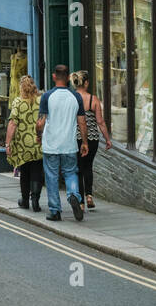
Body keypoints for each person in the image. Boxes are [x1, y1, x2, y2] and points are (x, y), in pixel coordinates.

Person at [37, 66, 88, 222]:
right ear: (67, 78)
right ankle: (73, 195)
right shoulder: (76, 97)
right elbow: (82, 122)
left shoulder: (47, 96)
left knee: (51, 177)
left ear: (54, 76)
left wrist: (38, 135)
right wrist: (84, 142)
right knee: (71, 173)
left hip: (51, 144)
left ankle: (55, 211)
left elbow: (40, 122)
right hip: (69, 144)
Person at [69, 70, 112, 211]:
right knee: (88, 166)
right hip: (92, 138)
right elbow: (100, 122)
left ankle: (81, 203)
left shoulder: (72, 98)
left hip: (76, 138)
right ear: (86, 83)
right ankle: (89, 195)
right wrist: (107, 139)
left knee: (78, 169)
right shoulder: (93, 99)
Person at [6, 75, 43, 212]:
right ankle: (35, 200)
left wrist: (8, 144)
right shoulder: (40, 101)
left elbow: (12, 123)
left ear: (21, 87)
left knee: (25, 173)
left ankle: (25, 200)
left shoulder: (18, 102)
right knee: (37, 172)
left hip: (22, 145)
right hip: (38, 143)